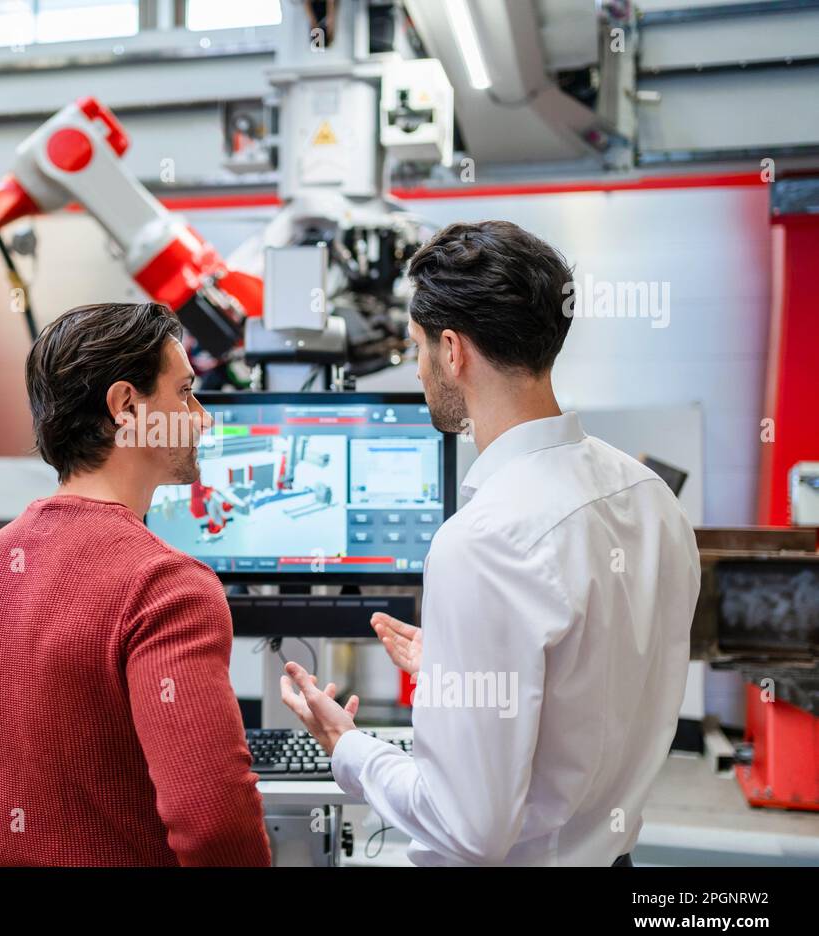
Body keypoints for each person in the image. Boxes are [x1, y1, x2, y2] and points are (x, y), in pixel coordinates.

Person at [281, 220, 700, 866]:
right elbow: (590, 685)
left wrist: (347, 746)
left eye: (418, 347)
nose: (418, 369)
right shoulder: (648, 496)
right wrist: (458, 671)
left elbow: (468, 828)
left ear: (452, 351)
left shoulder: (483, 542)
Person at [0, 301, 270, 867]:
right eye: (184, 393)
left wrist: (0, 841)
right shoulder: (168, 587)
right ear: (127, 406)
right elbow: (212, 823)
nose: (202, 418)